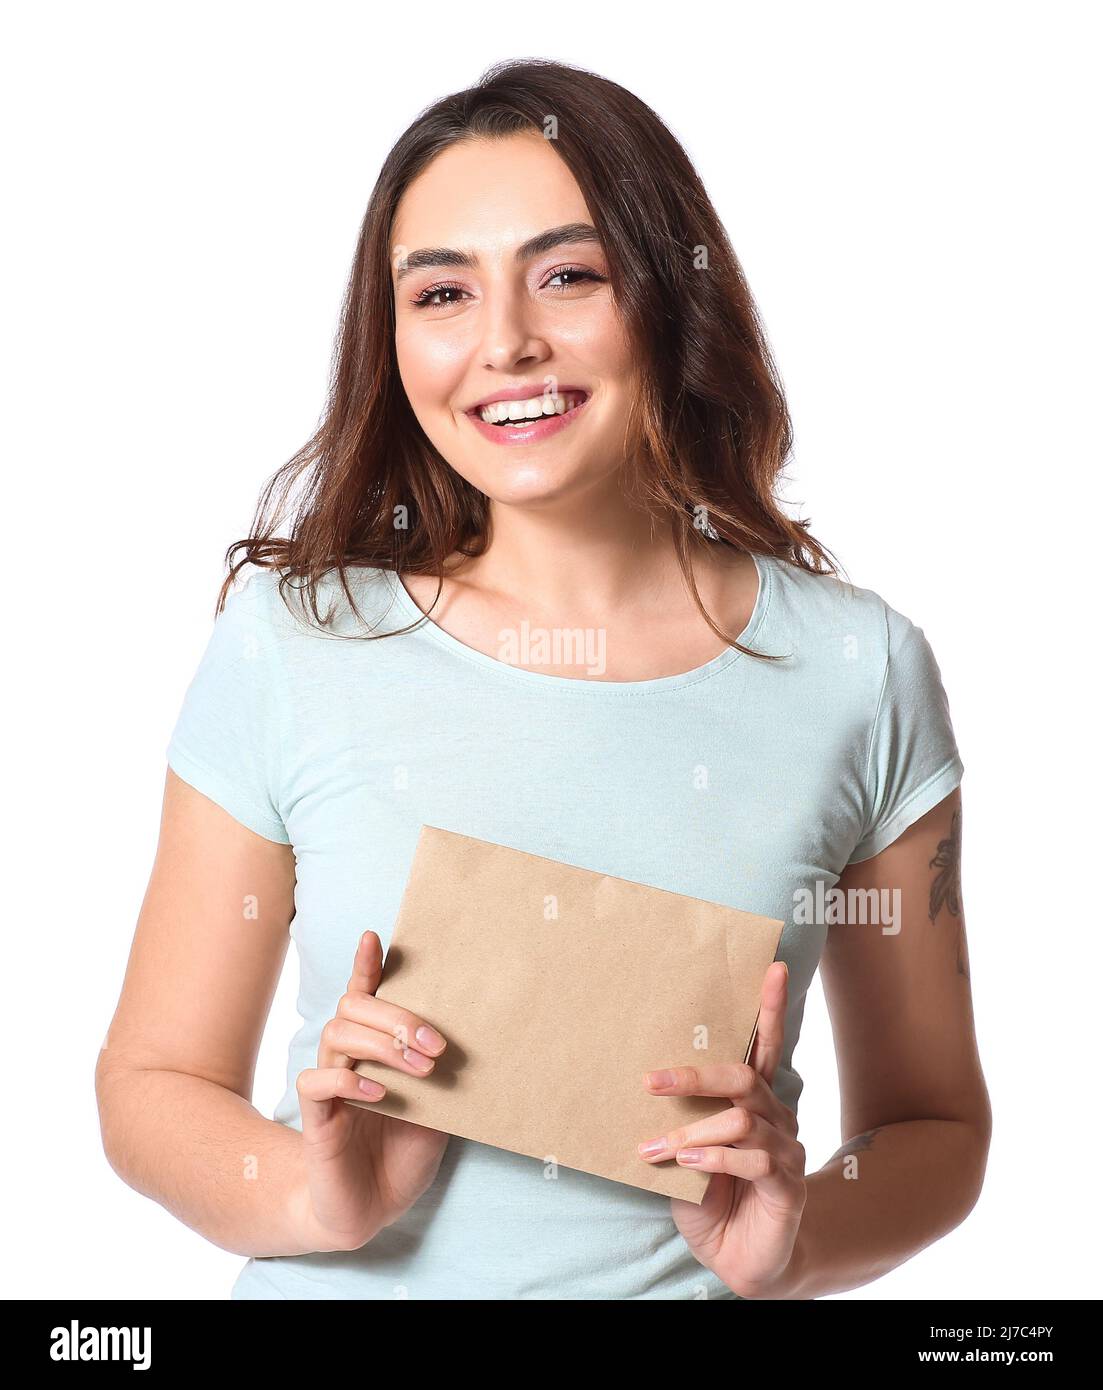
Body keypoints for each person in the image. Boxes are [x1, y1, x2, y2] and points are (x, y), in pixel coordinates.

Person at [96, 58, 991, 1301]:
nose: (506, 342)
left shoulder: (858, 669)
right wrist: (314, 1192)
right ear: (392, 335)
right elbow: (152, 1084)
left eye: (567, 275)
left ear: (672, 297)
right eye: (442, 292)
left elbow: (936, 1128)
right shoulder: (290, 643)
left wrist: (792, 1239)